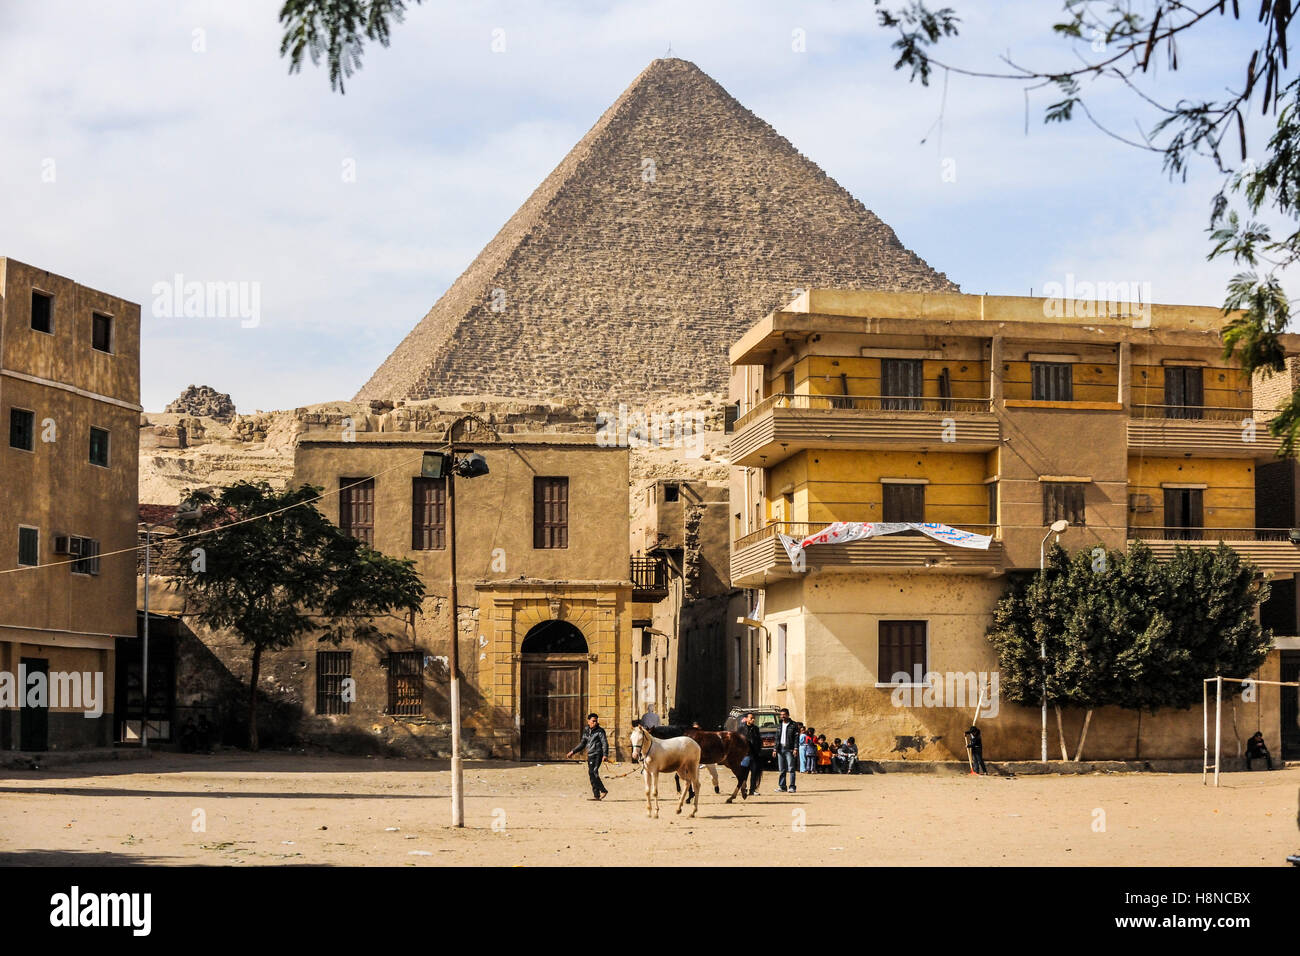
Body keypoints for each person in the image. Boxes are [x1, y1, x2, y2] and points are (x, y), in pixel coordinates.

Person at [565, 712, 612, 799]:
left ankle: (603, 790)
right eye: (593, 721)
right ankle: (596, 795)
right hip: (590, 754)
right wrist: (573, 751)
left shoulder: (600, 731)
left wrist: (605, 754)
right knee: (591, 774)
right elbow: (582, 744)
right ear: (588, 721)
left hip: (598, 754)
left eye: (596, 721)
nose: (595, 722)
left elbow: (604, 743)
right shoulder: (586, 730)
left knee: (593, 772)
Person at [775, 708, 799, 793]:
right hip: (780, 749)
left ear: (788, 715)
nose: (782, 716)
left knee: (791, 768)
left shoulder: (793, 725)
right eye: (781, 715)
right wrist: (775, 749)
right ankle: (782, 786)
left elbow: (796, 738)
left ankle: (792, 787)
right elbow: (777, 738)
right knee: (781, 769)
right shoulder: (779, 725)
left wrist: (796, 748)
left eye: (784, 715)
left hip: (790, 749)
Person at [741, 711, 764, 796]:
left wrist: (758, 751)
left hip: (754, 755)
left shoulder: (756, 729)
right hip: (745, 755)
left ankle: (752, 790)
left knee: (754, 773)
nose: (753, 720)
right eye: (751, 718)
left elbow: (759, 740)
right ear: (747, 719)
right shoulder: (741, 729)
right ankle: (744, 788)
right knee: (744, 773)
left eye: (754, 718)